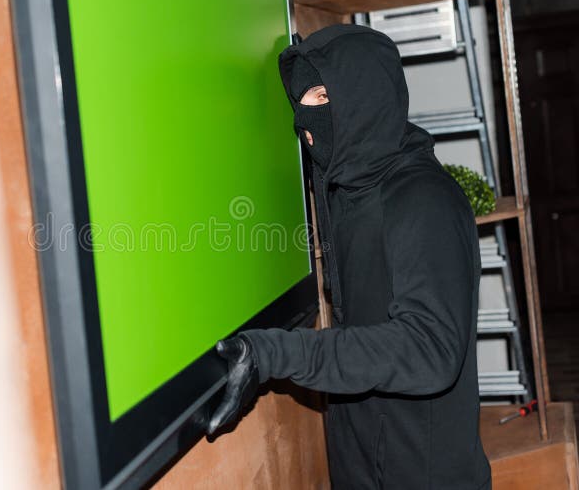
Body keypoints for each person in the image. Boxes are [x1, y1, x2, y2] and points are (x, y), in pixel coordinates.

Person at [205, 25, 492, 489]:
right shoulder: (350, 189)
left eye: (323, 96)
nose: (306, 118)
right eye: (301, 100)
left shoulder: (425, 201)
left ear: (365, 95)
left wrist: (274, 353)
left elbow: (430, 351)